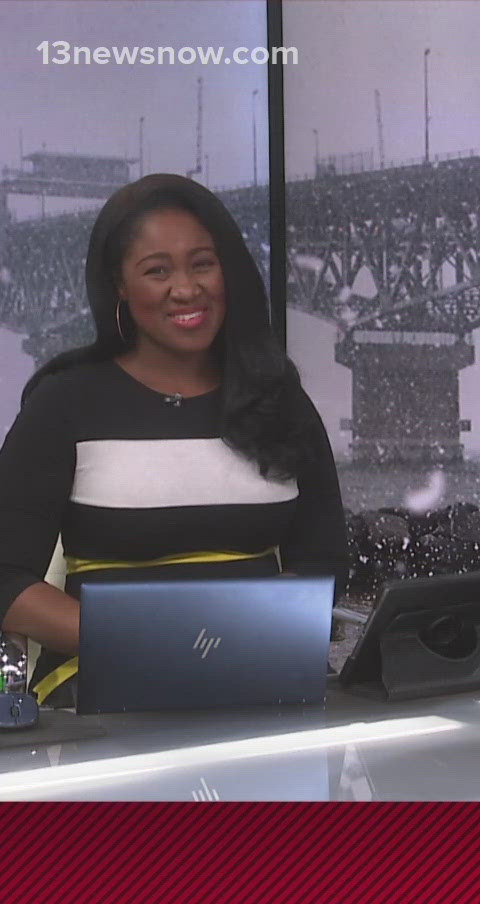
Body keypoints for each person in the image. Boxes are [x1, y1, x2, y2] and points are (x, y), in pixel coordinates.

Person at [0, 174, 347, 705]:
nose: (185, 289)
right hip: (96, 685)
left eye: (202, 264)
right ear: (119, 284)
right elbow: (7, 581)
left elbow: (324, 565)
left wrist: (244, 643)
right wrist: (159, 643)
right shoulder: (63, 402)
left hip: (260, 675)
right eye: (157, 270)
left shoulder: (280, 398)